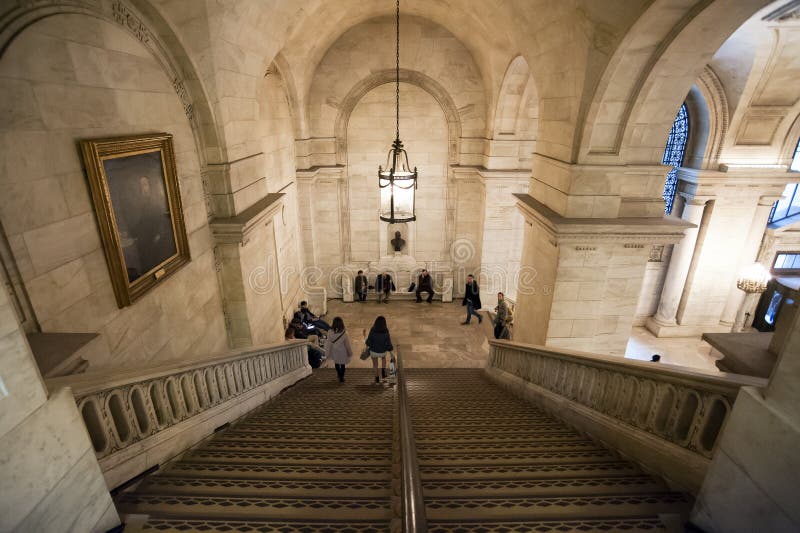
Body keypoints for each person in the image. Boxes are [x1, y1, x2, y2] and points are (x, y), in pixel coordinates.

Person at [365, 316, 394, 384]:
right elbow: (388, 342)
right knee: (383, 358)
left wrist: (366, 340)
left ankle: (377, 379)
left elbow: (369, 341)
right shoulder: (386, 330)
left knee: (375, 365)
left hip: (373, 351)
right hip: (382, 351)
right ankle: (383, 373)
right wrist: (391, 351)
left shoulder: (372, 329)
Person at [324, 317, 352, 383]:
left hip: (334, 350)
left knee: (336, 363)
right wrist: (349, 352)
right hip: (342, 351)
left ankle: (339, 374)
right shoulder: (344, 332)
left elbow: (328, 342)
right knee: (342, 364)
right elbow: (347, 344)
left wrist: (328, 351)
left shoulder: (330, 331)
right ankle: (342, 376)